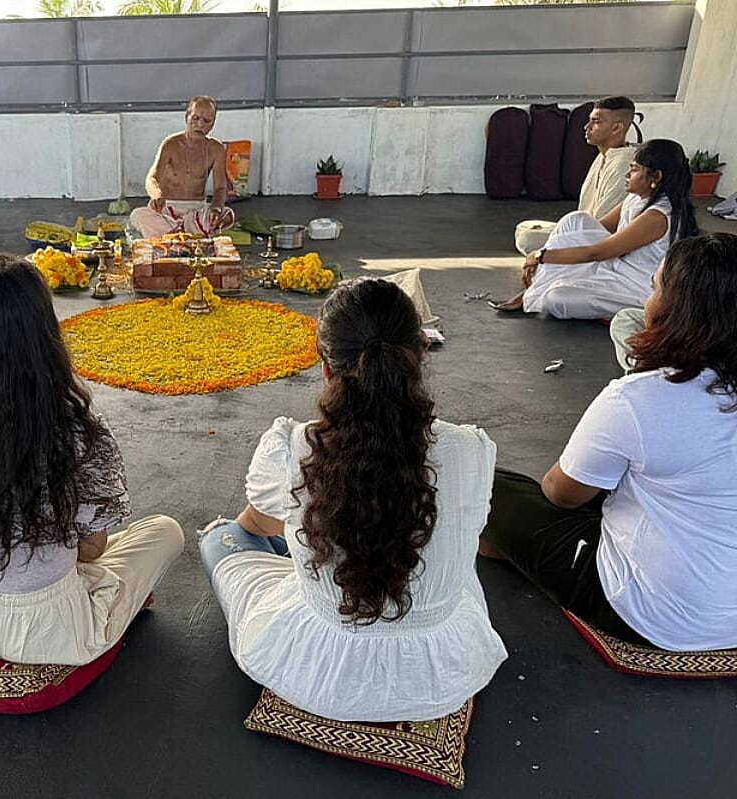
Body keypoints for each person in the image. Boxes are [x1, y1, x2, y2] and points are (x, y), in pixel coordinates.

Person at [199, 278, 506, 721]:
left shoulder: (292, 446)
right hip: (441, 671)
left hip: (316, 668)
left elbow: (256, 527)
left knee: (224, 538)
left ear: (325, 366)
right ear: (421, 351)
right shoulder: (472, 450)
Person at [480, 233, 737, 652]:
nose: (647, 301)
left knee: (489, 489)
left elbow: (560, 494)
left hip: (655, 615)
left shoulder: (640, 398)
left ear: (676, 312)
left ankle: (513, 550)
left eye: (654, 289)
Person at [0, 254, 183, 665]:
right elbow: (94, 549)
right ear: (47, 335)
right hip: (55, 633)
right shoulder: (80, 429)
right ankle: (97, 599)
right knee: (166, 532)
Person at [491, 139, 698, 317]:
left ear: (656, 177)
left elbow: (596, 252)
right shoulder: (636, 198)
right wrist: (561, 259)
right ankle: (534, 290)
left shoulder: (657, 216)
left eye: (634, 169)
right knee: (576, 220)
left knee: (557, 298)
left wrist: (540, 256)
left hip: (634, 286)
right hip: (613, 265)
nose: (627, 174)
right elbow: (596, 232)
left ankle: (535, 290)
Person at [514, 97, 640, 255]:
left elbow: (602, 230)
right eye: (589, 120)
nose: (587, 127)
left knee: (528, 238)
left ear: (616, 128)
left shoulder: (624, 164)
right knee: (526, 228)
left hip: (598, 240)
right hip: (586, 230)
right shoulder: (604, 155)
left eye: (596, 122)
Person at [129, 96, 234, 239]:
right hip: (167, 209)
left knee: (227, 215)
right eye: (195, 118)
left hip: (196, 210)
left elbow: (220, 188)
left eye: (206, 121)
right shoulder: (170, 144)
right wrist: (157, 195)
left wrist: (216, 208)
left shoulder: (216, 149)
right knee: (138, 215)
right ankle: (188, 233)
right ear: (187, 117)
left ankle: (175, 233)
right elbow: (151, 178)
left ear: (213, 124)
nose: (200, 124)